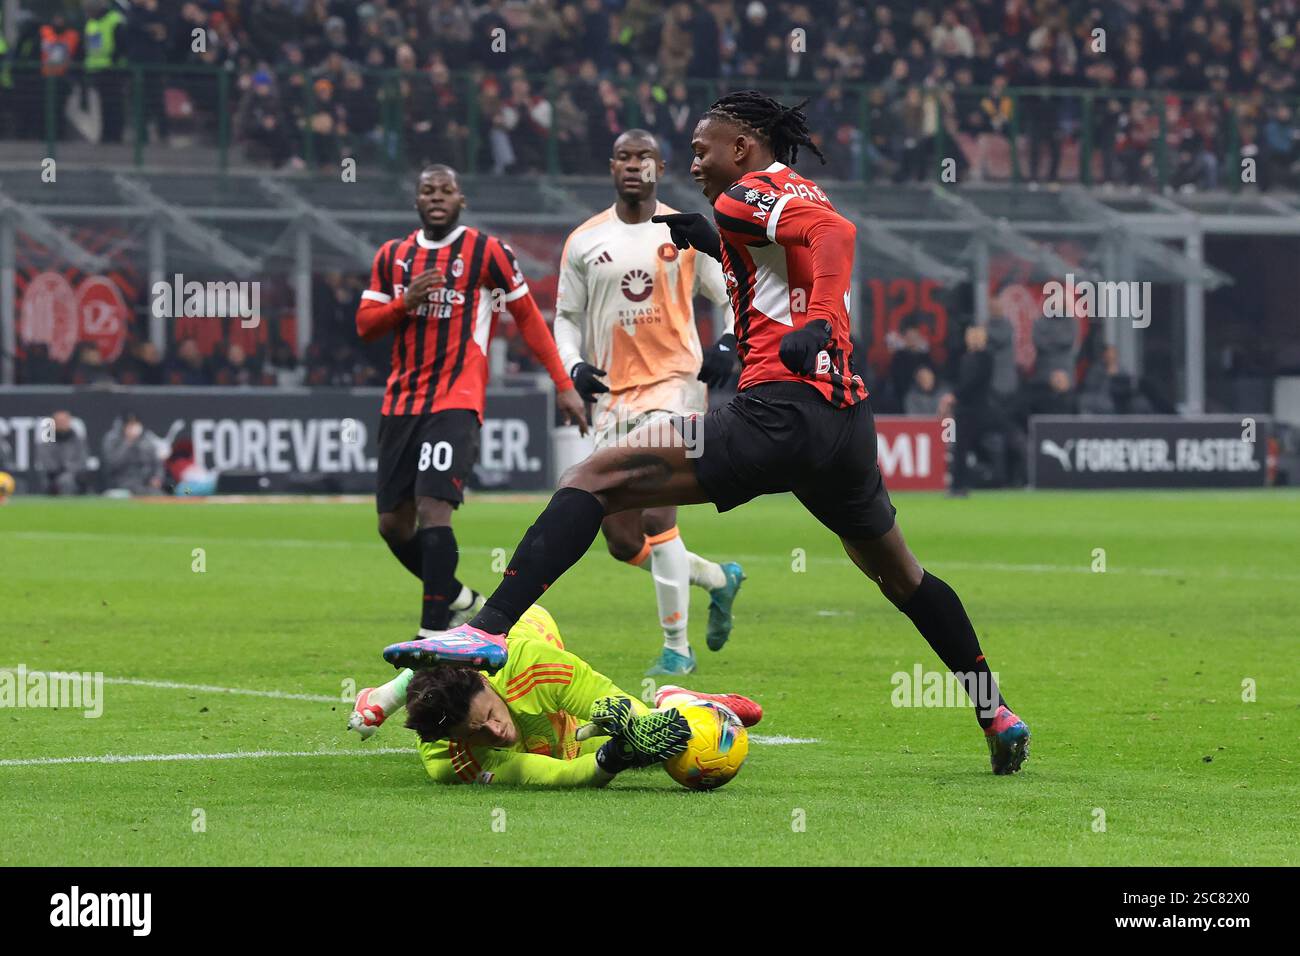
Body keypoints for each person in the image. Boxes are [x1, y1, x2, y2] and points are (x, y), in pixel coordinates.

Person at [385, 92, 1031, 775]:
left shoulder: (745, 194)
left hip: (778, 413)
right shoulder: (788, 190)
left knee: (595, 478)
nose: (693, 163)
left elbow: (836, 237)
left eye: (702, 149)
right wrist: (716, 243)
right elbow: (799, 247)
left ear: (742, 149)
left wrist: (821, 325)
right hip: (844, 426)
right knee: (903, 575)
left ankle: (485, 633)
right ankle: (994, 709)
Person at [355, 164, 588, 642]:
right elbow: (365, 325)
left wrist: (563, 384)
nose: (436, 197)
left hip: (456, 398)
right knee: (392, 526)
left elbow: (528, 319)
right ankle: (460, 600)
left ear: (461, 200)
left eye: (446, 190)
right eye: (427, 190)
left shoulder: (488, 251)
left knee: (432, 509)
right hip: (401, 402)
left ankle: (430, 635)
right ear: (416, 200)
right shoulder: (393, 256)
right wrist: (405, 303)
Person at [553, 128, 744, 676]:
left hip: (675, 385)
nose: (633, 166)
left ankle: (676, 650)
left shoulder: (683, 232)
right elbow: (565, 317)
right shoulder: (585, 241)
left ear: (661, 167)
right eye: (623, 157)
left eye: (644, 157)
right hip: (613, 395)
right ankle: (717, 578)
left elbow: (732, 290)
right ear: (611, 167)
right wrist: (573, 366)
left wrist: (728, 343)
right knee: (619, 538)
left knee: (660, 510)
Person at [350, 603, 762, 787]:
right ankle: (677, 699)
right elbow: (547, 775)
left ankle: (674, 701)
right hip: (480, 681)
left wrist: (642, 725)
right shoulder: (448, 760)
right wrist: (610, 761)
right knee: (568, 753)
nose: (499, 734)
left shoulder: (533, 664)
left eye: (492, 715)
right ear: (457, 739)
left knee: (646, 735)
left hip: (526, 625)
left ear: (488, 684)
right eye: (481, 734)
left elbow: (608, 696)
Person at [101, 412, 163, 495]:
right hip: (121, 482)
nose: (133, 428)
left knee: (157, 494)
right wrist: (128, 442)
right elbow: (112, 464)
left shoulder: (146, 440)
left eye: (135, 424)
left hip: (145, 482)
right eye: (130, 425)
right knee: (137, 490)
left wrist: (157, 477)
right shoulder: (113, 439)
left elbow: (157, 463)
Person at [35, 410, 89, 496]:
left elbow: (82, 461)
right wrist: (61, 471)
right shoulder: (46, 442)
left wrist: (69, 469)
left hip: (75, 476)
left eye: (64, 421)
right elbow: (47, 462)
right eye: (59, 421)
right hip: (53, 477)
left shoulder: (78, 442)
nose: (62, 424)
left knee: (68, 479)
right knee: (63, 480)